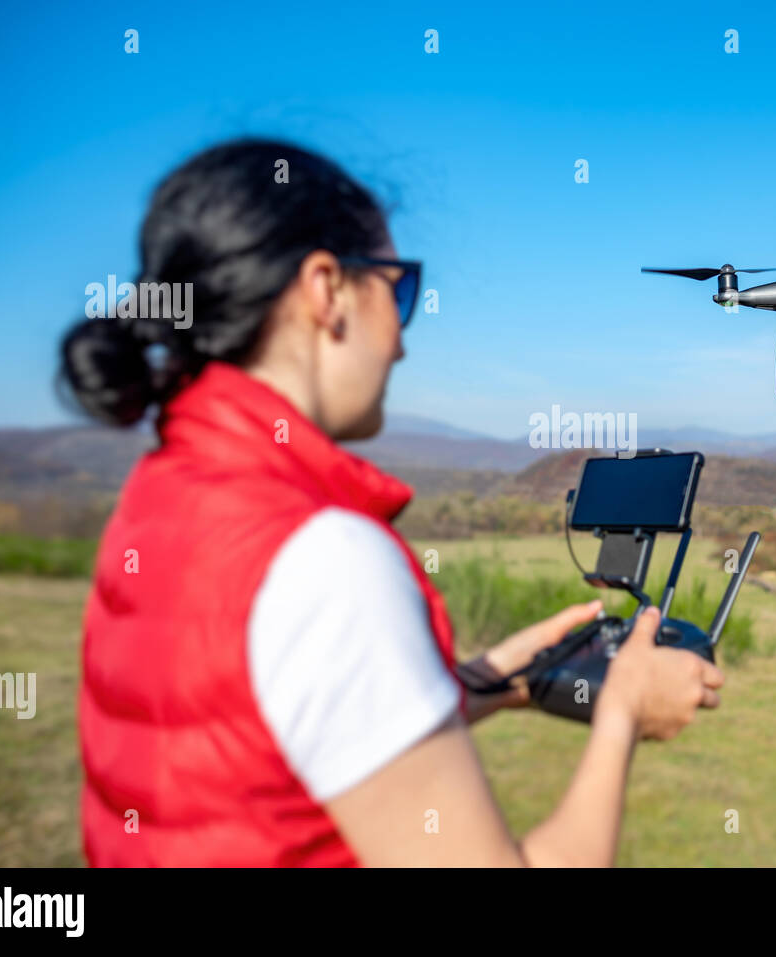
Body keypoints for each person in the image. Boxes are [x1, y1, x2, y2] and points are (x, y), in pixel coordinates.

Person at [60, 138, 725, 867]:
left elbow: (270, 732)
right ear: (326, 290)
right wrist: (623, 709)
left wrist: (494, 677)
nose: (403, 344)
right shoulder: (325, 555)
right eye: (399, 289)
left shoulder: (160, 492)